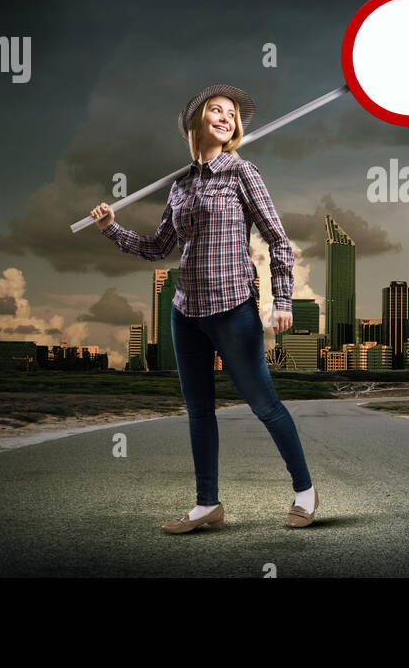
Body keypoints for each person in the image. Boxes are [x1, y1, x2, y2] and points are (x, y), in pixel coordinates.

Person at [90, 84, 318, 533]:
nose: (226, 117)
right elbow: (158, 249)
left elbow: (277, 238)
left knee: (265, 405)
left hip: (233, 308)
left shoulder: (242, 173)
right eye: (216, 110)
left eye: (231, 114)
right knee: (198, 411)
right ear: (196, 122)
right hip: (185, 313)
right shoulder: (178, 186)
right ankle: (207, 504)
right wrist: (111, 228)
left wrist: (283, 299)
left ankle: (305, 493)